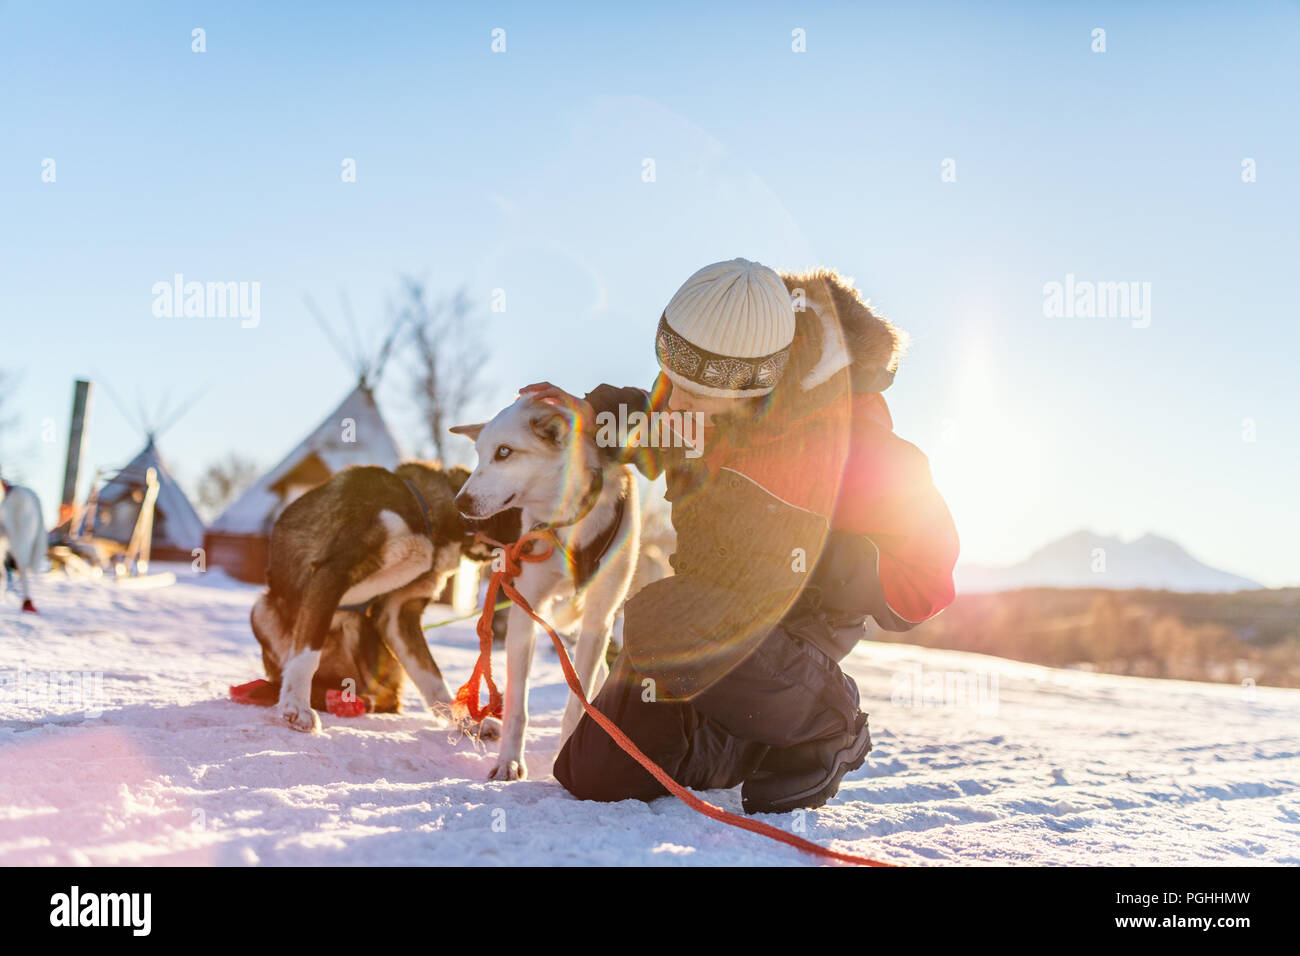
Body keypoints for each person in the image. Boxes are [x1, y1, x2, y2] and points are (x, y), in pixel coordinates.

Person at [525, 258, 959, 813]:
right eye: (669, 380)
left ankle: (829, 723)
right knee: (594, 773)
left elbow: (930, 582)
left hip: (792, 633)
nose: (674, 403)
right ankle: (749, 742)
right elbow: (653, 430)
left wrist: (829, 562)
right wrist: (590, 416)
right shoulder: (700, 396)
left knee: (660, 614)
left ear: (752, 385)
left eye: (693, 394)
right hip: (704, 618)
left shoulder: (855, 447)